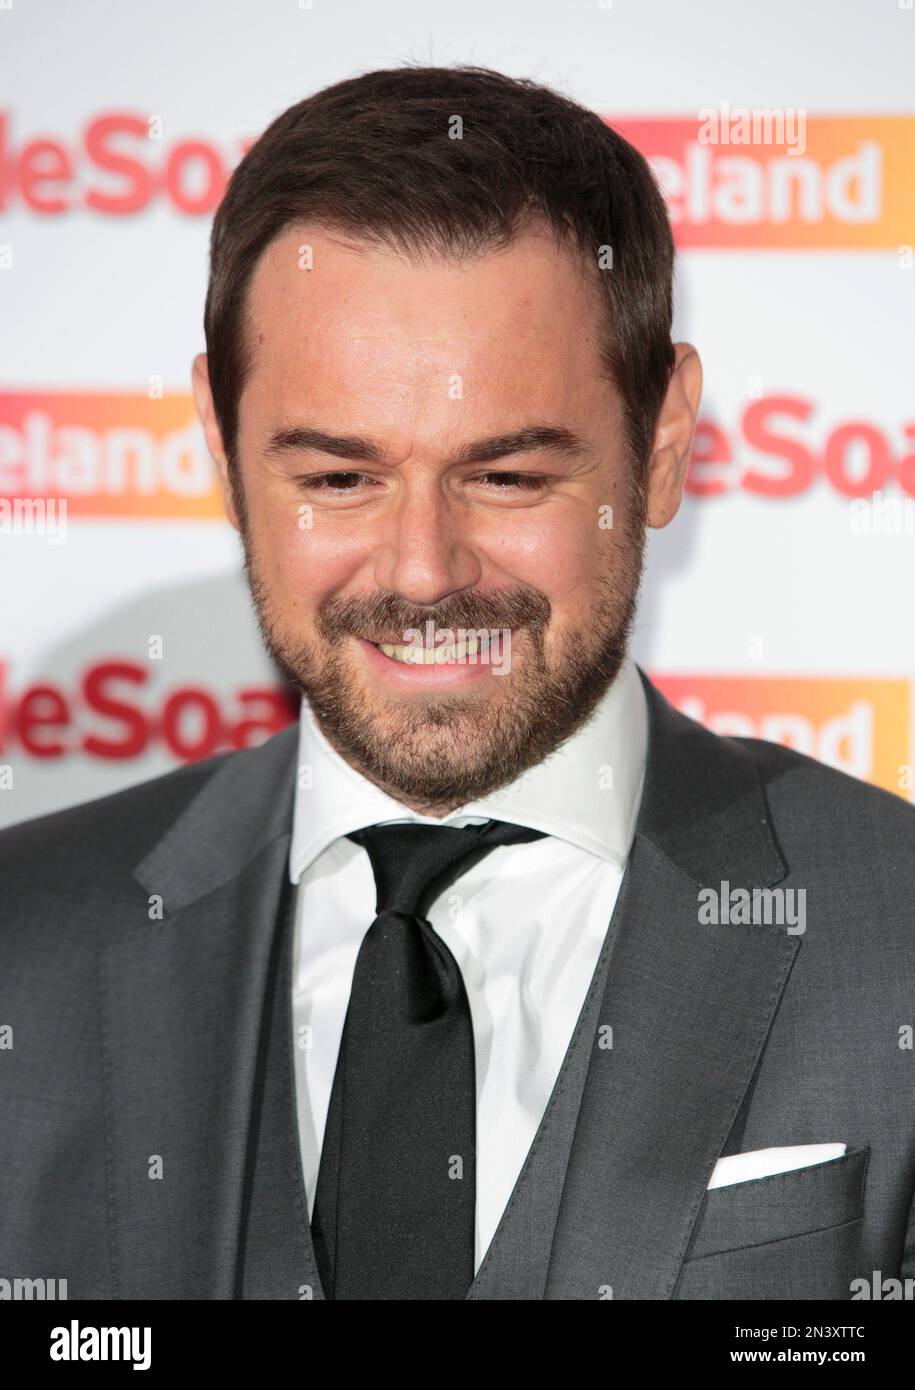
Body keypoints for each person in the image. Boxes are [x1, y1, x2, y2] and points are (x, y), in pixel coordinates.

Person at [1, 65, 913, 1302]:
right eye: (338, 479)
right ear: (219, 446)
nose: (424, 574)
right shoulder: (27, 941)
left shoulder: (890, 932)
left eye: (509, 478)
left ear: (660, 444)